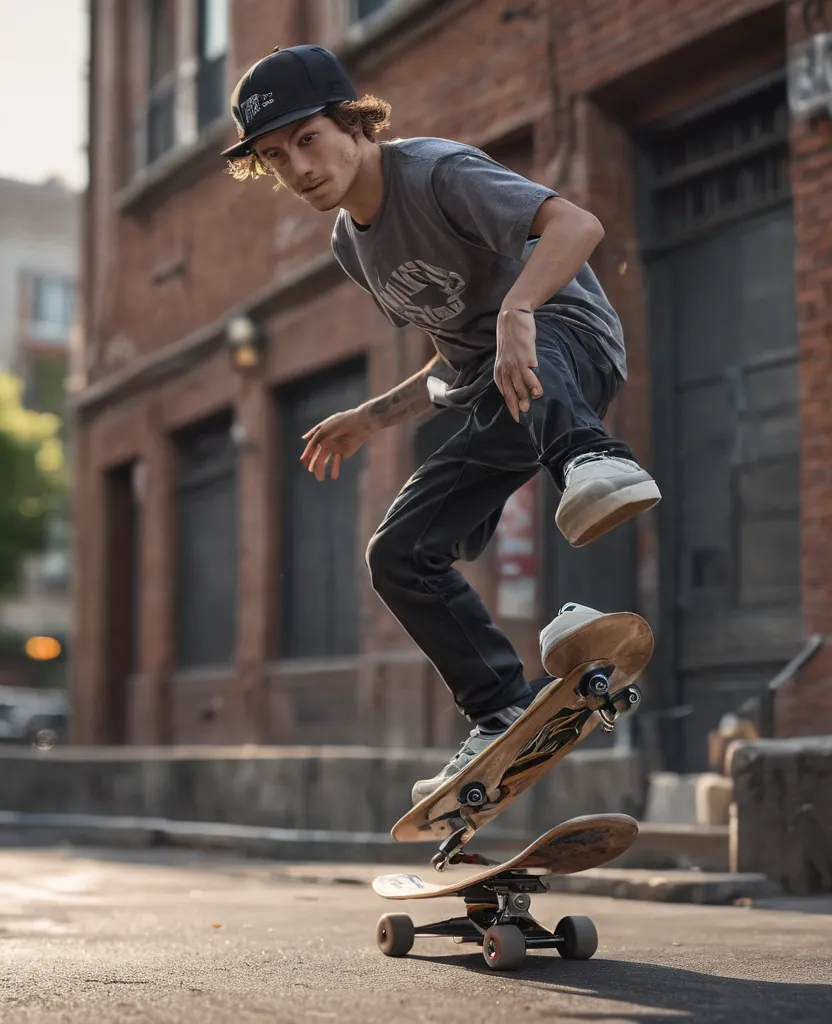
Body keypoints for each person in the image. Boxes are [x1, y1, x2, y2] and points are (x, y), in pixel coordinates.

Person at [223, 45, 660, 803]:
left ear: (353, 123)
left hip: (573, 347)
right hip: (499, 388)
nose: (297, 168)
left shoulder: (436, 172)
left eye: (307, 139)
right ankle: (499, 705)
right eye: (274, 157)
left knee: (522, 346)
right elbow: (452, 356)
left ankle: (593, 457)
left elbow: (577, 227)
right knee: (397, 552)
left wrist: (520, 309)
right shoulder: (350, 246)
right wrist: (370, 415)